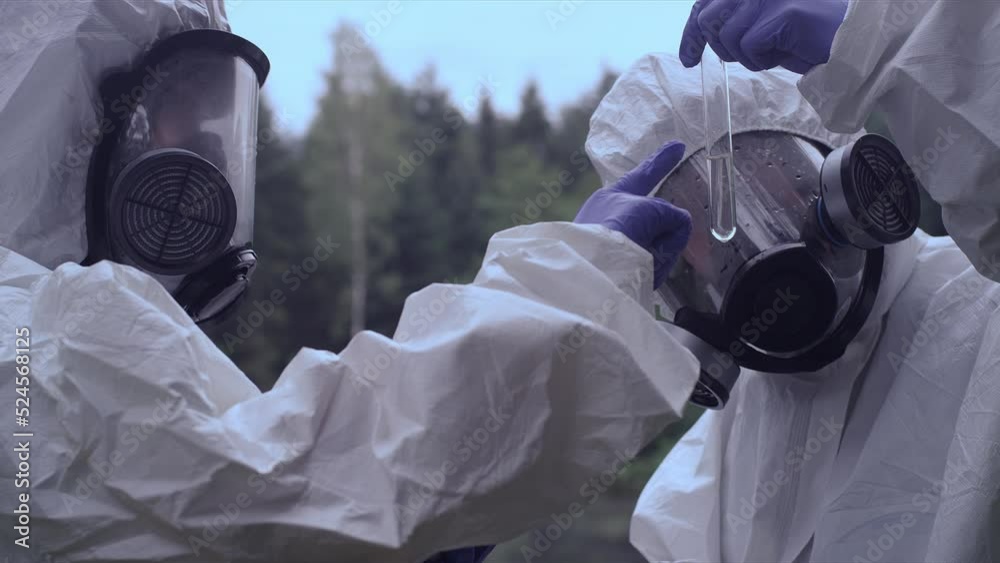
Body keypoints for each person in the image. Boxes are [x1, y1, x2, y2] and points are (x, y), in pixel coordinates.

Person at [0, 1, 699, 562]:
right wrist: (575, 283)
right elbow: (311, 483)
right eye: (169, 110)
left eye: (212, 114)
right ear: (69, 116)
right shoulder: (47, 345)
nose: (203, 148)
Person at [588, 48, 1000, 563]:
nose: (730, 231)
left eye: (756, 176)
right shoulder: (717, 453)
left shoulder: (981, 318)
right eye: (683, 214)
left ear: (836, 171)